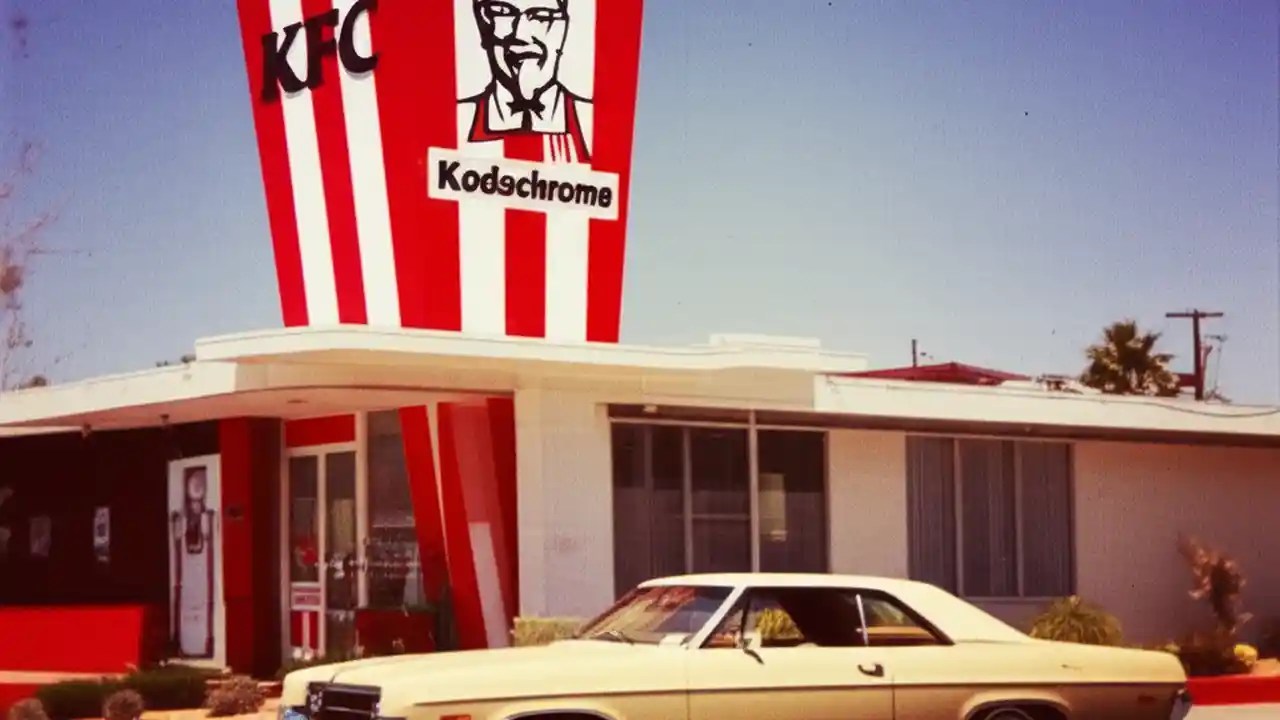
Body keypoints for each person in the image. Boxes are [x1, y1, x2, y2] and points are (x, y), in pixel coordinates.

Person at [462, 0, 591, 162]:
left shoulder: (592, 125)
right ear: (482, 23)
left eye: (541, 16)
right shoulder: (458, 123)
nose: (520, 35)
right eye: (503, 12)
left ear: (563, 29)